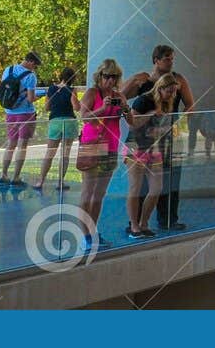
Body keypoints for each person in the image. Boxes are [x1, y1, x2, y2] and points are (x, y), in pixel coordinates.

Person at [123, 44, 196, 230]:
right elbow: (121, 98)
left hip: (167, 137)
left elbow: (190, 104)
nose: (170, 62)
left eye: (172, 59)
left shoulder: (178, 80)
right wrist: (132, 80)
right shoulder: (144, 82)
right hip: (141, 139)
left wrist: (180, 124)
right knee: (140, 184)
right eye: (166, 59)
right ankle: (135, 222)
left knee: (168, 179)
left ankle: (168, 219)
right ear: (156, 60)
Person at [75, 59, 127, 250]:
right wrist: (103, 109)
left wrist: (125, 106)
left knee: (100, 193)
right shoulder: (92, 93)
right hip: (93, 144)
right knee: (88, 192)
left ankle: (92, 231)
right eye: (107, 76)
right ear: (100, 76)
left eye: (114, 77)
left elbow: (131, 121)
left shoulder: (118, 95)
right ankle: (85, 236)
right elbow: (84, 117)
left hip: (112, 146)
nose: (110, 81)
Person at [124, 72, 180, 238]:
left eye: (174, 92)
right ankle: (134, 226)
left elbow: (166, 127)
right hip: (136, 148)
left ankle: (144, 223)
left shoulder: (167, 103)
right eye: (169, 91)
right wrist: (150, 115)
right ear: (160, 88)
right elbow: (132, 123)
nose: (172, 95)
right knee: (135, 188)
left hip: (154, 148)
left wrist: (161, 130)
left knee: (157, 188)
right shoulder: (143, 100)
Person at [32, 66, 79, 191]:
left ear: (61, 77)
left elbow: (47, 107)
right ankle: (60, 182)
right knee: (65, 154)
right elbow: (77, 107)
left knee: (50, 153)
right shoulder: (72, 90)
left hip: (55, 122)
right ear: (73, 78)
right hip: (69, 122)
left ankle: (40, 181)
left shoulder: (51, 89)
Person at [0, 51, 41, 188]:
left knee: (11, 145)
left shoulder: (8, 70)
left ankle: (4, 174)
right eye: (36, 66)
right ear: (31, 62)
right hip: (25, 114)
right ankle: (16, 177)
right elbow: (30, 98)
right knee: (22, 146)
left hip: (10, 112)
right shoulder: (31, 76)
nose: (35, 69)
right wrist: (40, 96)